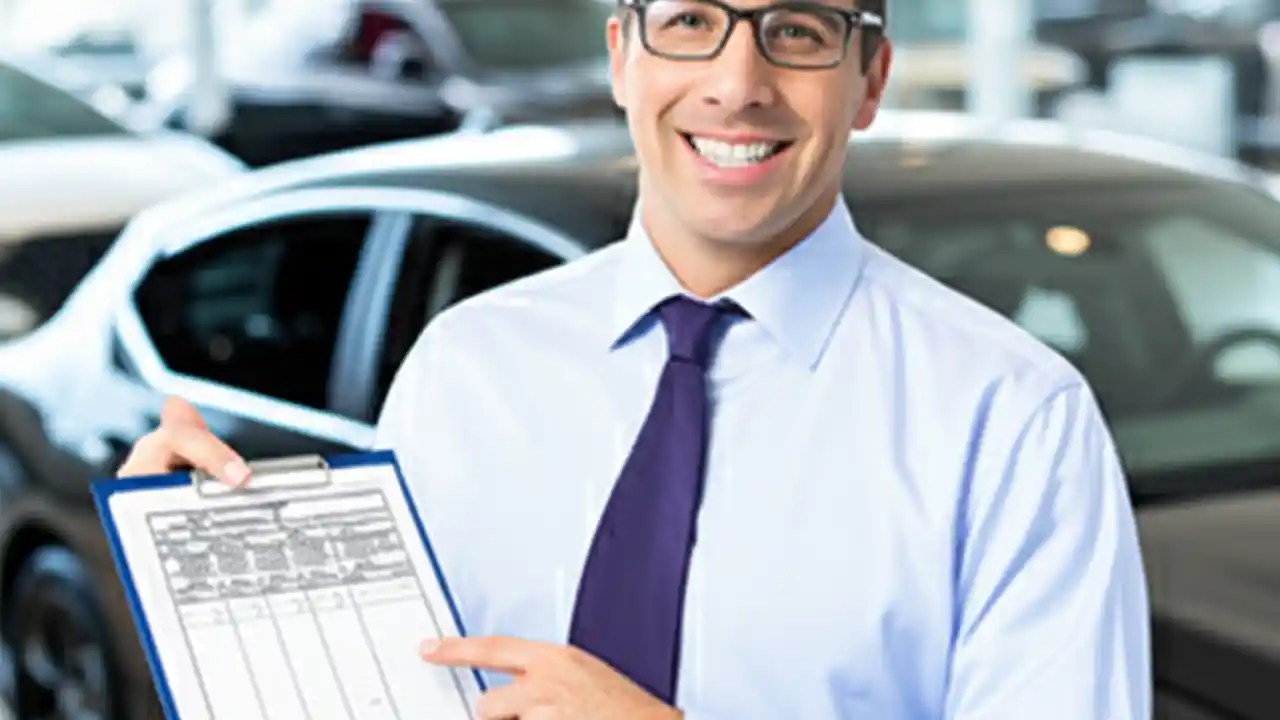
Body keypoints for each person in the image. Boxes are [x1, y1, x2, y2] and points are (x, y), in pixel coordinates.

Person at [118, 0, 1153, 717]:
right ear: (622, 57)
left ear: (868, 77)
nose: (736, 84)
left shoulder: (1009, 416)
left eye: (796, 31)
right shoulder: (464, 366)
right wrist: (216, 582)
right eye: (689, 23)